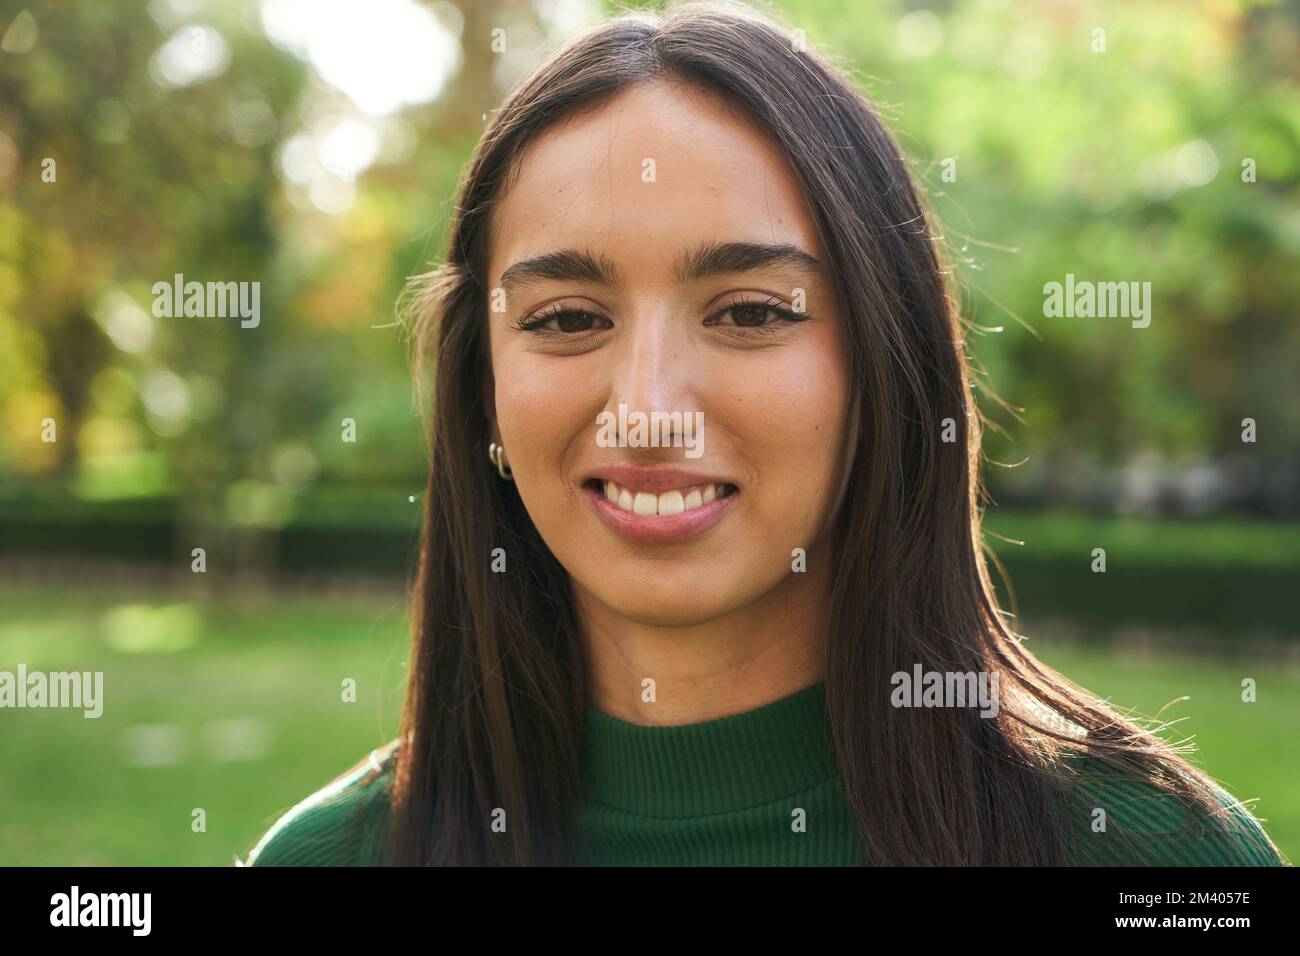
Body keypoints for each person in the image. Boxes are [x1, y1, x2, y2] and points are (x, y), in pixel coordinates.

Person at [243, 1, 1286, 867]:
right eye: (567, 319)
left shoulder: (1156, 856)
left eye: (749, 312)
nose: (646, 408)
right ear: (482, 391)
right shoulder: (331, 856)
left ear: (884, 364)